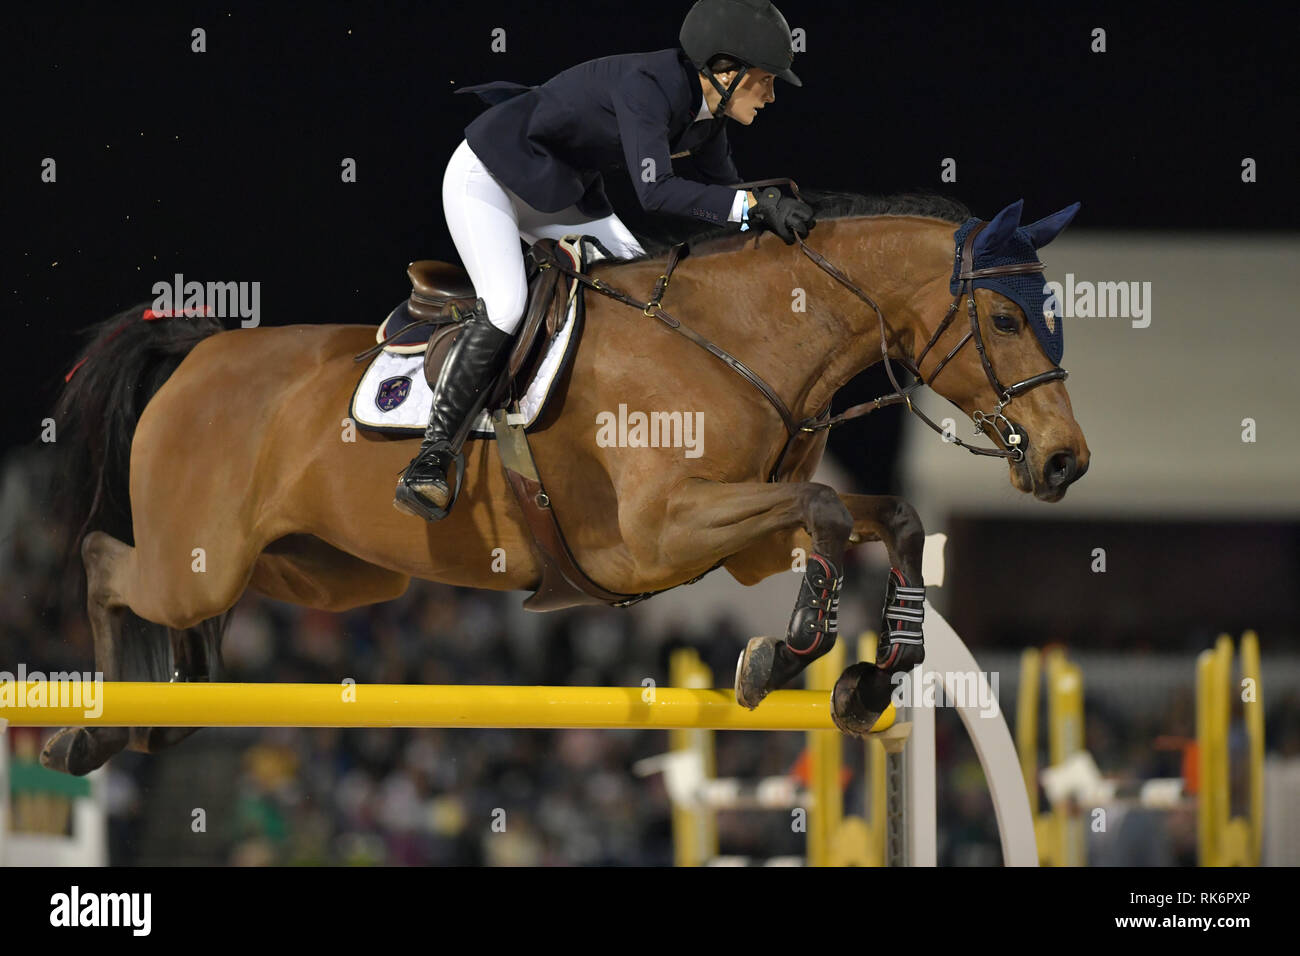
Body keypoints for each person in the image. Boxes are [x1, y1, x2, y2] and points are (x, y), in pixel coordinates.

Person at [395, 0, 817, 521]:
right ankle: (431, 458)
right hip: (487, 177)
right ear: (725, 70)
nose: (773, 95)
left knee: (647, 292)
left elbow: (730, 195)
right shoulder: (649, 86)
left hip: (557, 190)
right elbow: (657, 193)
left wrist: (774, 212)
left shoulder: (706, 114)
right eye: (767, 80)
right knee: (506, 304)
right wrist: (751, 209)